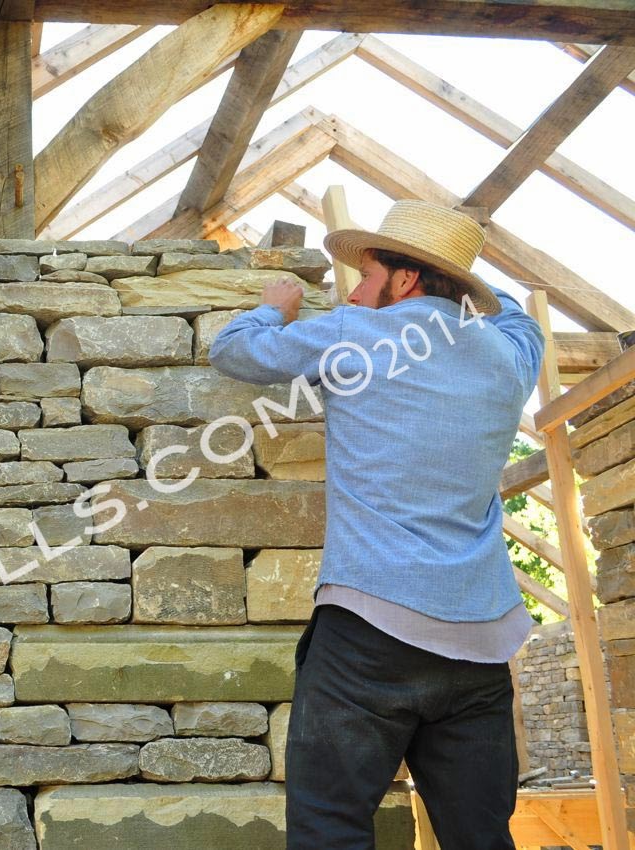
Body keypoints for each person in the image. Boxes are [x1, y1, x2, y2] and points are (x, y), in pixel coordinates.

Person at [209, 200, 545, 849]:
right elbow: (521, 324)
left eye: (366, 275)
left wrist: (275, 306)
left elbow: (235, 351)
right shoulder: (508, 360)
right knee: (480, 837)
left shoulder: (353, 335)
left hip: (370, 636)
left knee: (330, 832)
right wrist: (465, 275)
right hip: (480, 645)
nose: (356, 292)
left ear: (406, 280)